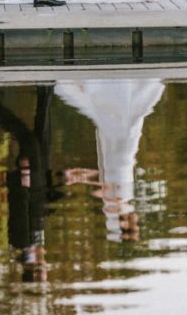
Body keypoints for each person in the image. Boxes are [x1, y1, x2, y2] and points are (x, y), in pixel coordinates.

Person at [54, 78, 166, 243]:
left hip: (122, 157)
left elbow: (107, 183)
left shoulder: (117, 205)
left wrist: (84, 177)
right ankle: (117, 89)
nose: (135, 221)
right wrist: (84, 178)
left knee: (120, 122)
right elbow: (108, 184)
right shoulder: (119, 203)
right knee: (119, 122)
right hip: (122, 157)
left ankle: (117, 89)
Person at [0, 85, 59, 282]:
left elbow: (18, 207)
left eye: (41, 271)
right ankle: (45, 90)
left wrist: (23, 179)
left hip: (29, 182)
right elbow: (39, 216)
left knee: (28, 139)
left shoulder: (19, 241)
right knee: (43, 134)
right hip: (40, 184)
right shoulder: (37, 248)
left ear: (32, 269)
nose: (45, 268)